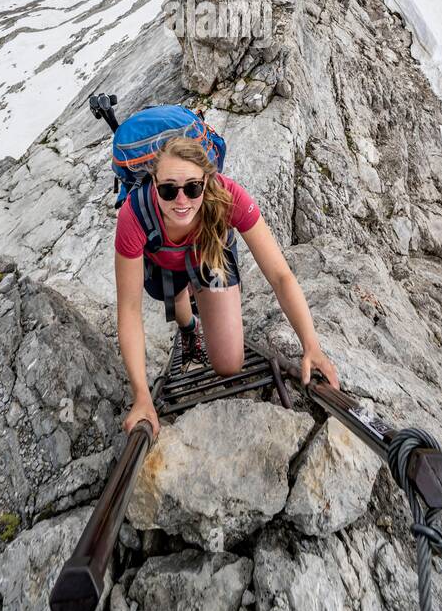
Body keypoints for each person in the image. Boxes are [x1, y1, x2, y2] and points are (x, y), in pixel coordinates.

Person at [114, 133, 340, 439]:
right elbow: (129, 311)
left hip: (208, 250)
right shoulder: (134, 215)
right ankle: (188, 324)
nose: (181, 201)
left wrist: (311, 345)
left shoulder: (229, 196)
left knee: (230, 363)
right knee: (180, 302)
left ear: (207, 183)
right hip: (163, 265)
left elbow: (280, 276)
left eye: (192, 188)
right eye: (169, 190)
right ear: (154, 184)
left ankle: (195, 297)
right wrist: (142, 396)